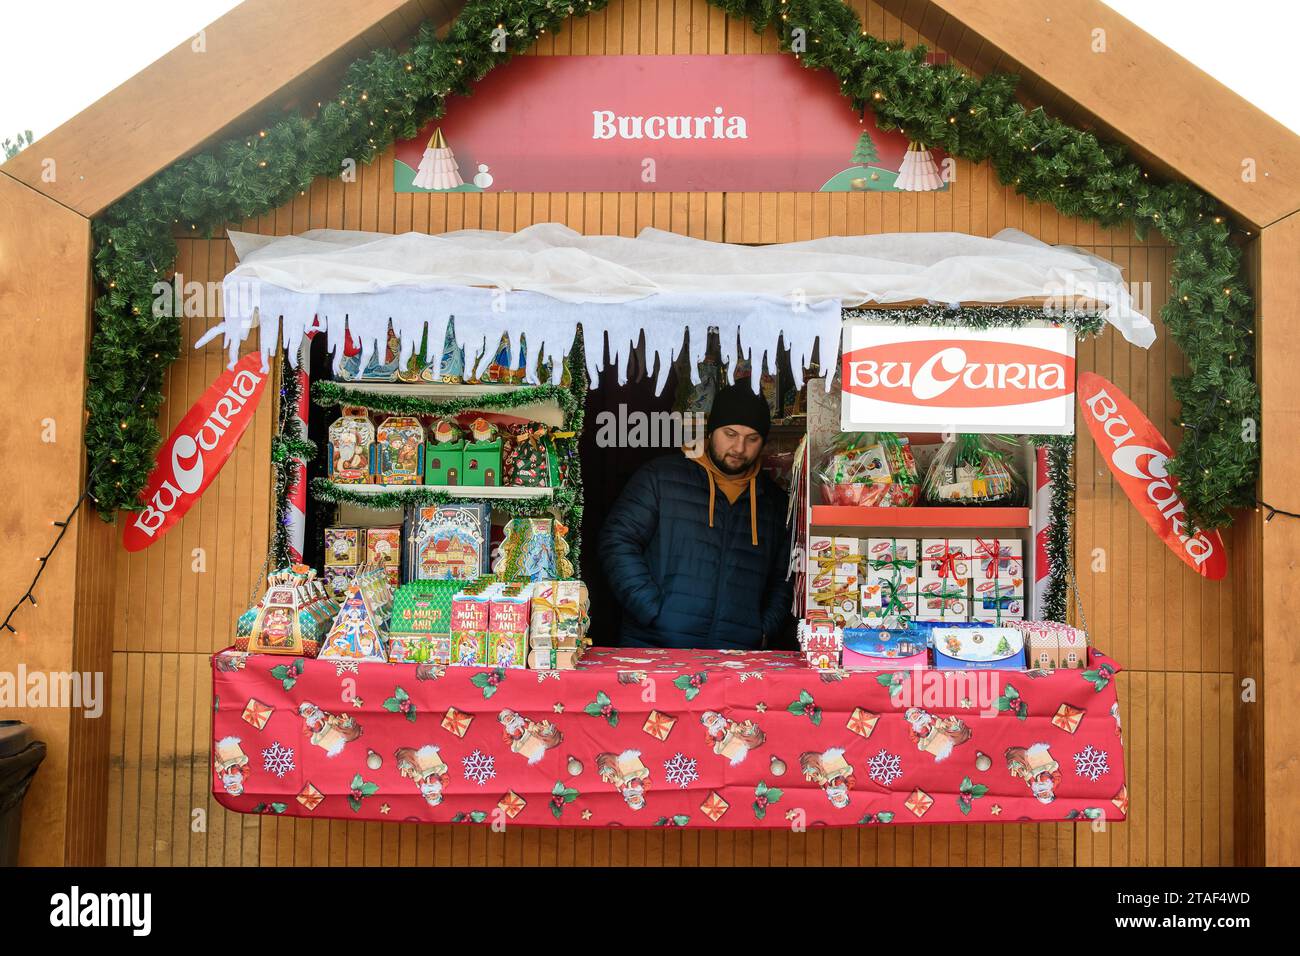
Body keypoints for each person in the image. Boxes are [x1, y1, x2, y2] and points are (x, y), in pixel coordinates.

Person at [599, 383, 793, 649]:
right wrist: (651, 611)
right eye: (730, 433)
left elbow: (785, 576)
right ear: (711, 430)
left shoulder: (774, 503)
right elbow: (617, 542)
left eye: (752, 438)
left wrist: (763, 628)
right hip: (655, 648)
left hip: (736, 658)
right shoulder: (661, 477)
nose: (739, 447)